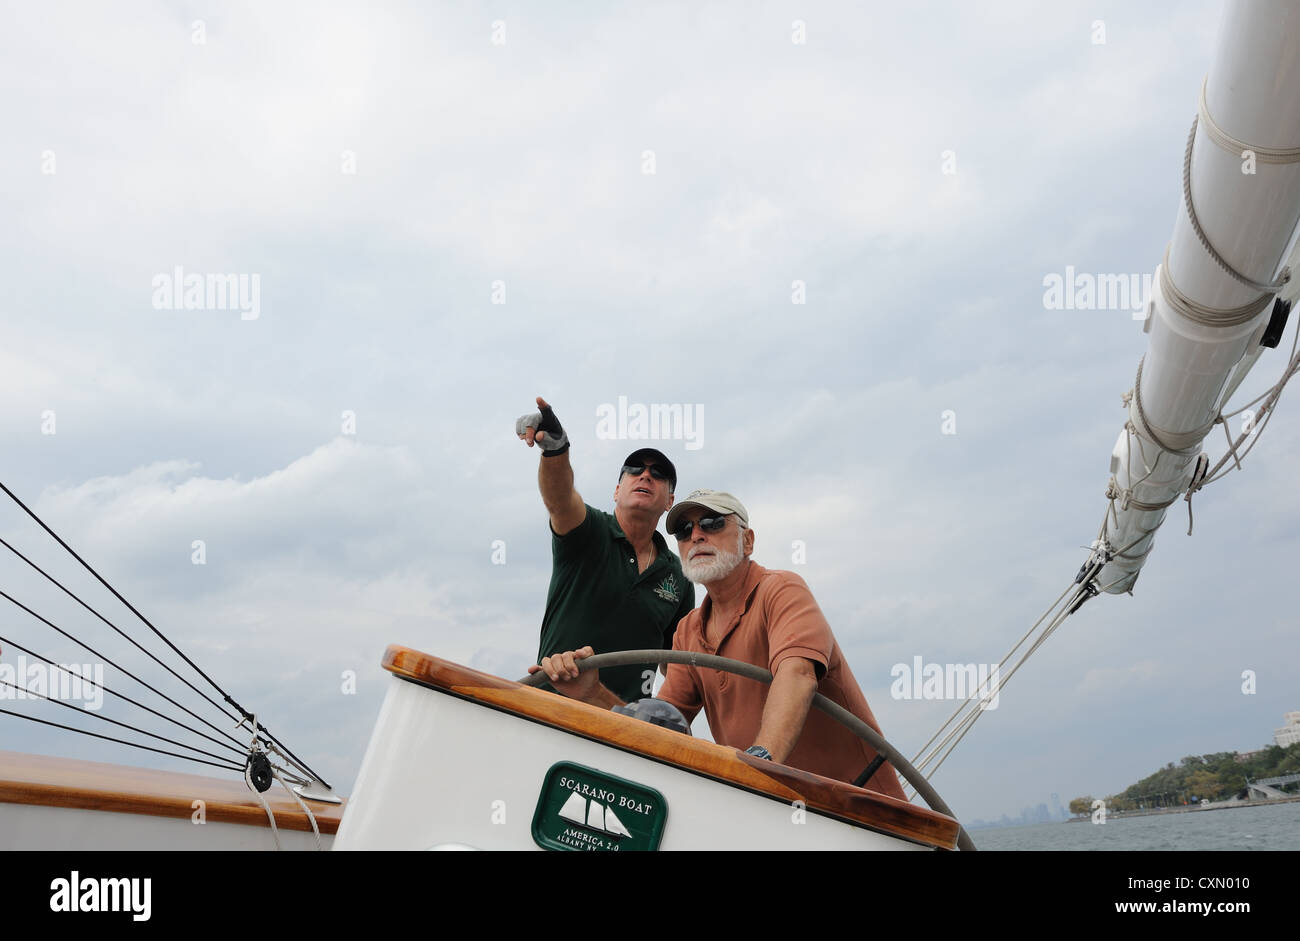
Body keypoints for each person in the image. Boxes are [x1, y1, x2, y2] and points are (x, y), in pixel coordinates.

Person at [530, 489, 906, 799]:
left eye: (712, 522)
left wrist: (760, 765)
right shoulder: (689, 631)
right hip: (770, 810)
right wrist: (593, 693)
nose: (696, 535)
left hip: (859, 815)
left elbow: (797, 674)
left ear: (748, 539)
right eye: (683, 530)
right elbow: (659, 730)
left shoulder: (781, 590)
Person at [516, 397, 695, 704]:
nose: (646, 475)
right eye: (634, 468)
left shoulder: (679, 577)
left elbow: (681, 665)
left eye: (659, 473)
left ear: (669, 501)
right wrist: (556, 449)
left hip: (623, 729)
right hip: (546, 709)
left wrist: (667, 718)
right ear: (616, 491)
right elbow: (560, 500)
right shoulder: (589, 531)